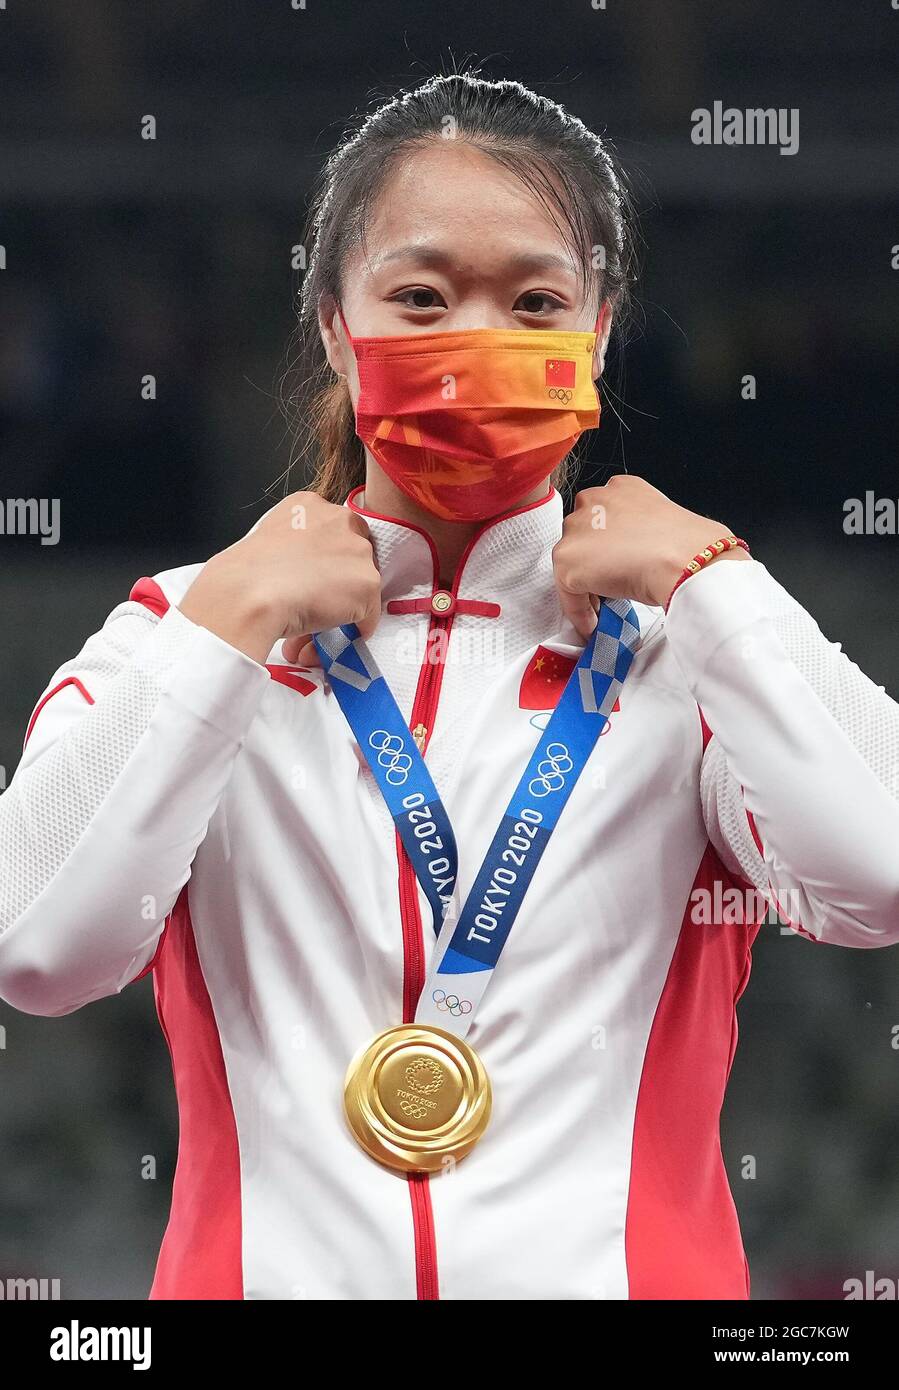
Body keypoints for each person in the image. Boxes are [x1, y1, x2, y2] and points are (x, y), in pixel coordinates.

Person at [1, 71, 898, 1302]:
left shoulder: (688, 650)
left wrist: (715, 584)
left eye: (534, 302)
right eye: (418, 297)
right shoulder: (174, 629)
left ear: (596, 326)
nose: (475, 340)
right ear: (332, 322)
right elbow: (36, 951)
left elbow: (881, 878)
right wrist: (226, 624)